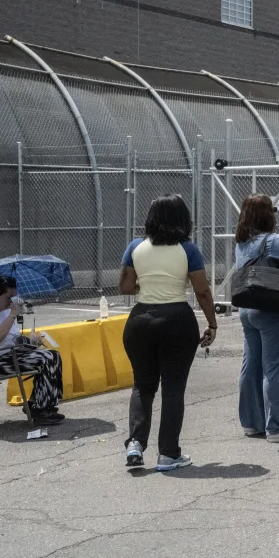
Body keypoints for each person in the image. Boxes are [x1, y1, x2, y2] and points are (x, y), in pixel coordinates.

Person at [119, 194, 217, 471]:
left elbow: (125, 287)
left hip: (140, 320)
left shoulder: (135, 246)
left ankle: (135, 444)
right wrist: (212, 323)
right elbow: (202, 291)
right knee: (173, 389)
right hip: (177, 319)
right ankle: (168, 454)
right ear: (183, 219)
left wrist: (147, 285)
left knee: (142, 385)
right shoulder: (188, 249)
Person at [234, 194, 279, 443]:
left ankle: (251, 422)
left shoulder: (242, 242)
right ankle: (276, 427)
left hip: (247, 309)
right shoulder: (273, 241)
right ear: (268, 215)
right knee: (276, 367)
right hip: (272, 309)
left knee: (251, 366)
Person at [0, 273, 64, 425]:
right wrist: (12, 315)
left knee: (53, 355)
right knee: (46, 359)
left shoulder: (5, 311)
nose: (11, 302)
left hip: (12, 354)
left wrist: (29, 342)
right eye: (8, 298)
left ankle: (41, 404)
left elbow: (12, 338)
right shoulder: (4, 314)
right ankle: (39, 409)